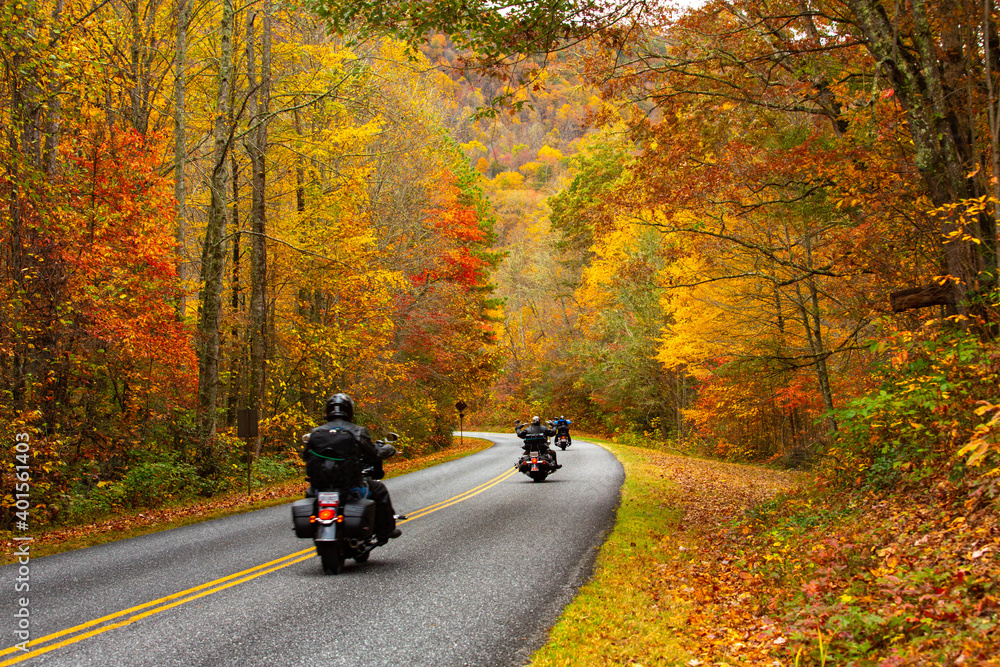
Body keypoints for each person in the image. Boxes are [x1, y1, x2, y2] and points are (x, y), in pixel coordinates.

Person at [303, 393, 401, 544]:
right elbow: (375, 452)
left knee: (309, 496)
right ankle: (385, 531)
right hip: (349, 487)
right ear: (349, 411)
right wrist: (389, 449)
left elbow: (306, 456)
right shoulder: (357, 431)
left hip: (319, 488)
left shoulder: (316, 432)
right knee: (380, 490)